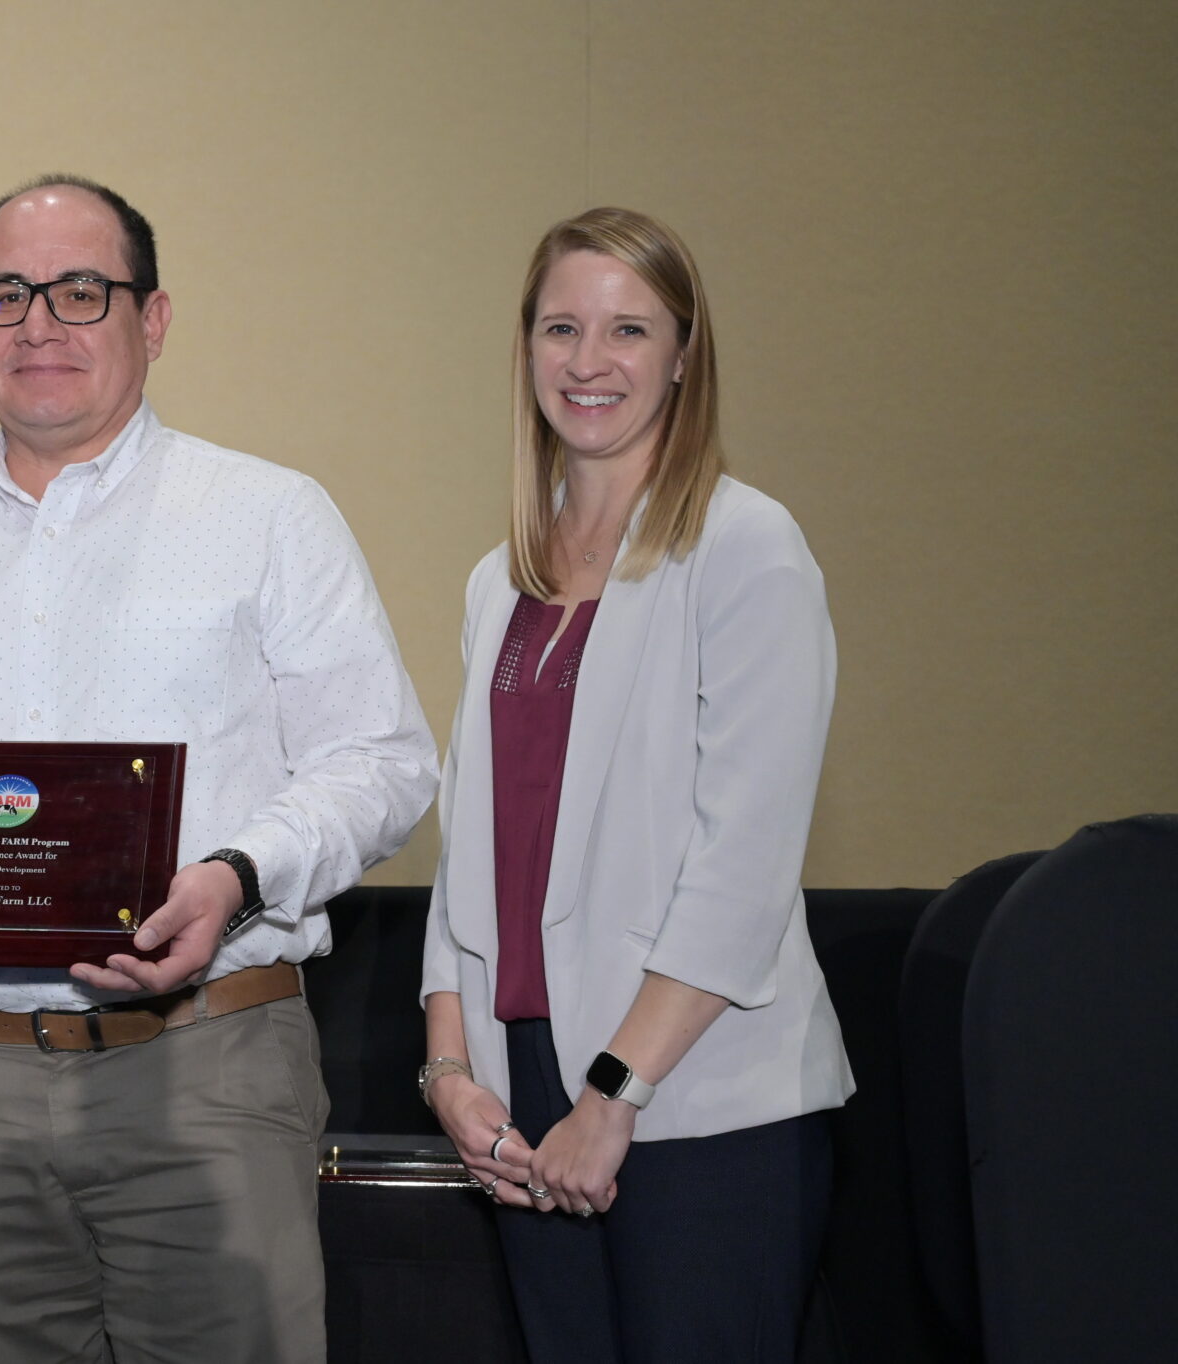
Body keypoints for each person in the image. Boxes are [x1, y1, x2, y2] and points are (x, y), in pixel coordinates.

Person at [0, 175, 437, 1363]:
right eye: (4, 294)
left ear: (155, 317)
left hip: (207, 1068)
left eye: (81, 290)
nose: (39, 323)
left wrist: (237, 872)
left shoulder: (269, 516)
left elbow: (381, 759)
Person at [419, 206, 853, 1363]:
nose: (587, 360)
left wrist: (615, 1090)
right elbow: (472, 851)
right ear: (524, 349)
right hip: (523, 1095)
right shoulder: (494, 581)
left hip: (694, 1101)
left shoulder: (745, 545)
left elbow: (742, 862)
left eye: (626, 329)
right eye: (560, 326)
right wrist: (450, 1067)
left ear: (681, 352)